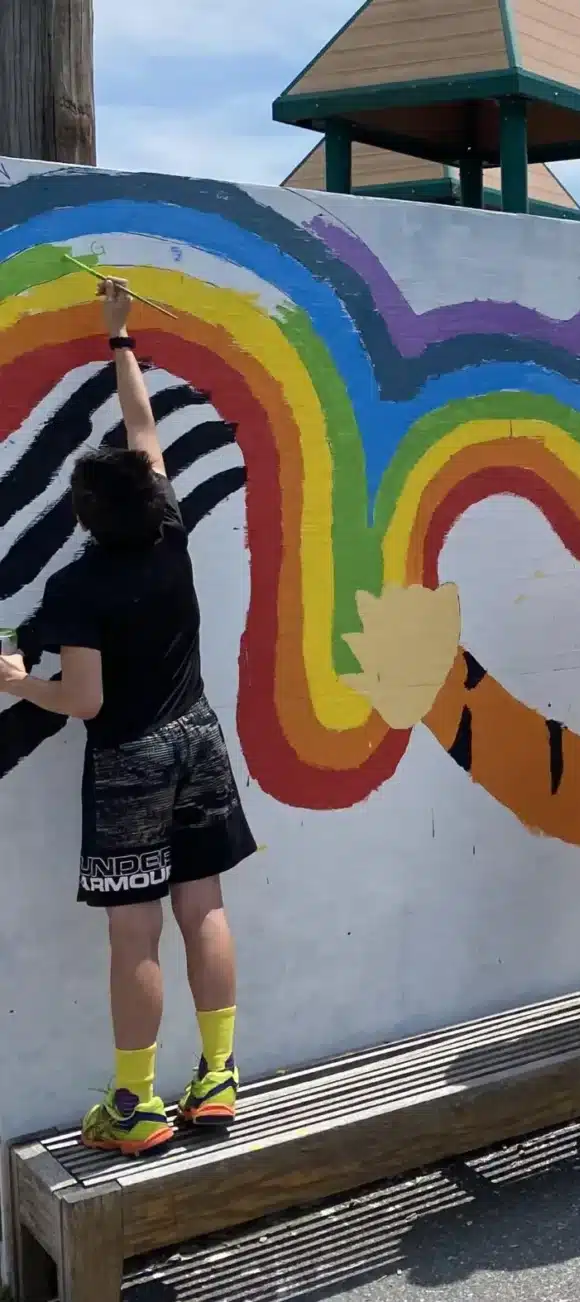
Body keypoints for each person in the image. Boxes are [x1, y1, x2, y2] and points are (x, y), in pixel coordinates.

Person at [0, 279, 253, 1155]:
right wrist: (121, 341)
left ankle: (136, 1105)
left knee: (134, 929)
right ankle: (217, 1078)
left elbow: (85, 700)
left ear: (85, 518)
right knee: (204, 908)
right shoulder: (170, 534)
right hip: (198, 739)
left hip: (129, 765)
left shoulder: (78, 586)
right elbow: (146, 439)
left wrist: (14, 680)